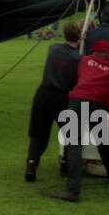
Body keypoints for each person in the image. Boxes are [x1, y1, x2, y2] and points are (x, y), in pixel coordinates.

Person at [48, 39, 109, 202]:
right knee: (103, 143)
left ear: (93, 52)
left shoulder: (85, 61)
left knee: (74, 145)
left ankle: (73, 190)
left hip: (79, 100)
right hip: (99, 104)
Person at [26, 21, 83, 183]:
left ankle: (31, 164)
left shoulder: (53, 49)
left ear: (64, 34)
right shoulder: (78, 59)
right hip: (62, 97)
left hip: (43, 94)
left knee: (38, 133)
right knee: (69, 133)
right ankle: (65, 163)